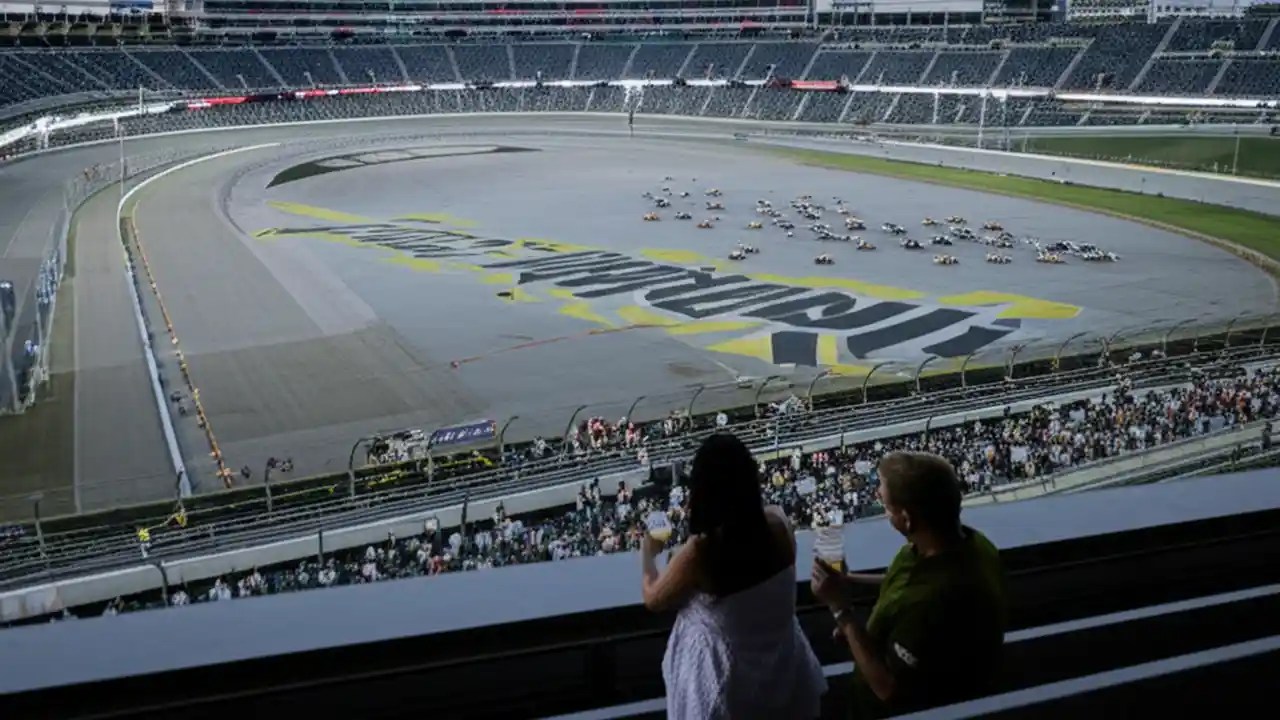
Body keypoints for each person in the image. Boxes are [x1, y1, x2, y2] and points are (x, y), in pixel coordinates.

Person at [811, 451, 1006, 718]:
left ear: (907, 518)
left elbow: (889, 689)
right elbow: (905, 584)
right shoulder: (969, 545)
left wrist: (842, 613)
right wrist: (849, 581)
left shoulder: (936, 602)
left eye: (886, 504)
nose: (880, 500)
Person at [643, 433, 826, 719]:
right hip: (787, 676)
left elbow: (654, 598)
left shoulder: (702, 552)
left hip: (729, 690)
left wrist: (647, 554)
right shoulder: (778, 524)